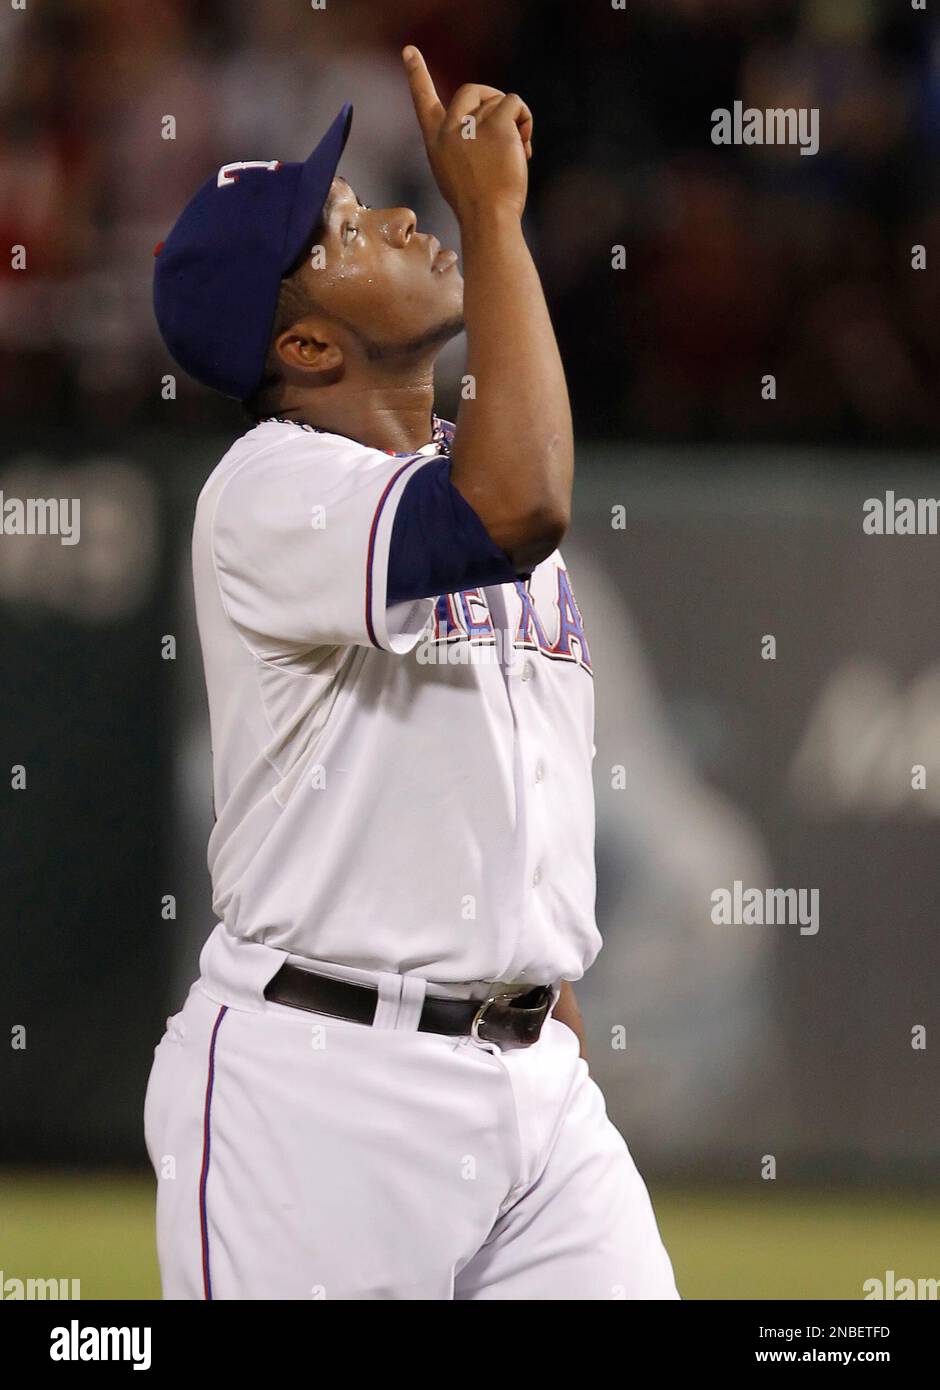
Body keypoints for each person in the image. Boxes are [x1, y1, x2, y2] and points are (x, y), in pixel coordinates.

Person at [146, 45, 679, 1300]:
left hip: (531, 1084)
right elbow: (516, 505)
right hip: (320, 1090)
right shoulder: (267, 491)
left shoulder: (455, 462)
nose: (392, 211)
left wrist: (529, 963)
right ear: (311, 348)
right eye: (341, 232)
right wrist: (491, 216)